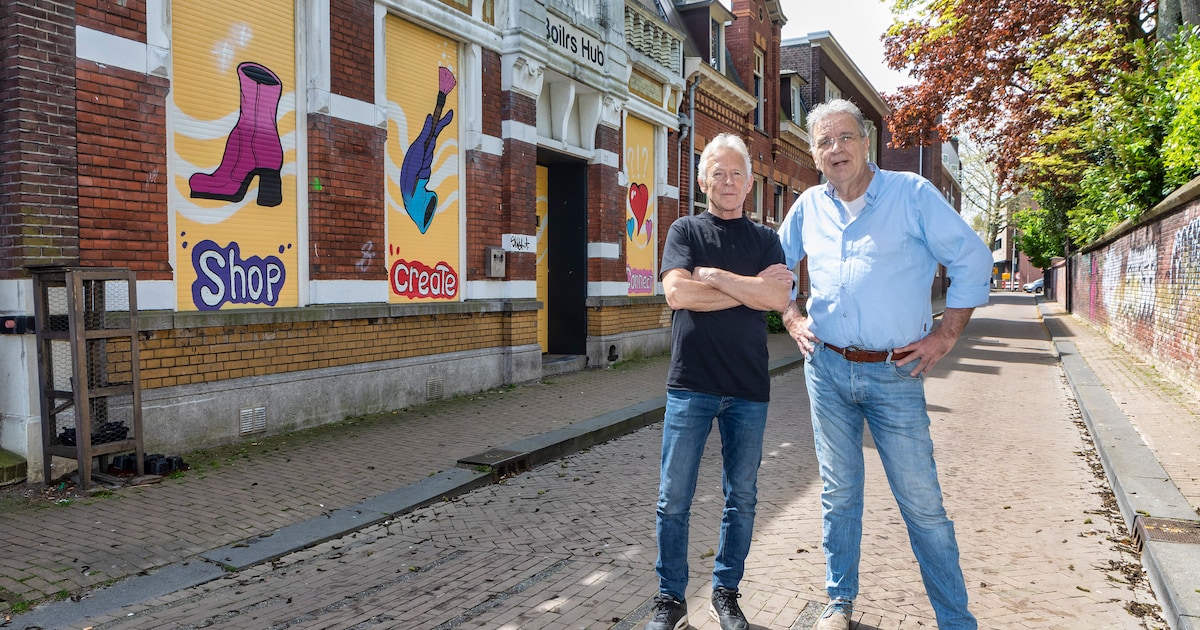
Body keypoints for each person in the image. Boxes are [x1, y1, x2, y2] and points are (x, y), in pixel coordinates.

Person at [776, 99, 992, 630]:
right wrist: (789, 316)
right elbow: (775, 269)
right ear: (813, 152)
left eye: (845, 137)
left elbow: (972, 257)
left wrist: (945, 335)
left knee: (921, 504)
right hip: (825, 368)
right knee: (838, 492)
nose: (836, 149)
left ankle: (955, 620)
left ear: (866, 141)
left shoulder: (912, 195)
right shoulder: (806, 205)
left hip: (895, 373)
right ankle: (838, 603)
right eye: (825, 141)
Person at [646, 133, 794, 630]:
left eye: (736, 174)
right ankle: (670, 600)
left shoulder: (767, 240)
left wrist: (714, 278)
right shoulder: (684, 231)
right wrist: (750, 289)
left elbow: (778, 302)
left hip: (749, 388)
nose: (727, 182)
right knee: (674, 499)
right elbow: (676, 295)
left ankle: (725, 593)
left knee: (743, 498)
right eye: (718, 173)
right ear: (703, 178)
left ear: (749, 183)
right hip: (691, 384)